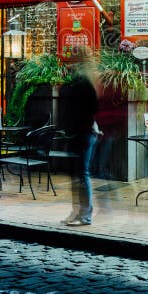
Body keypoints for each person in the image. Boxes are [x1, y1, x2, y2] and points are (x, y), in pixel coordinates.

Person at [59, 55, 100, 226]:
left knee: (81, 174)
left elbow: (91, 108)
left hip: (82, 132)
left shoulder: (82, 83)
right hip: (78, 132)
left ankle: (84, 215)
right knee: (78, 175)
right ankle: (77, 212)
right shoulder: (80, 83)